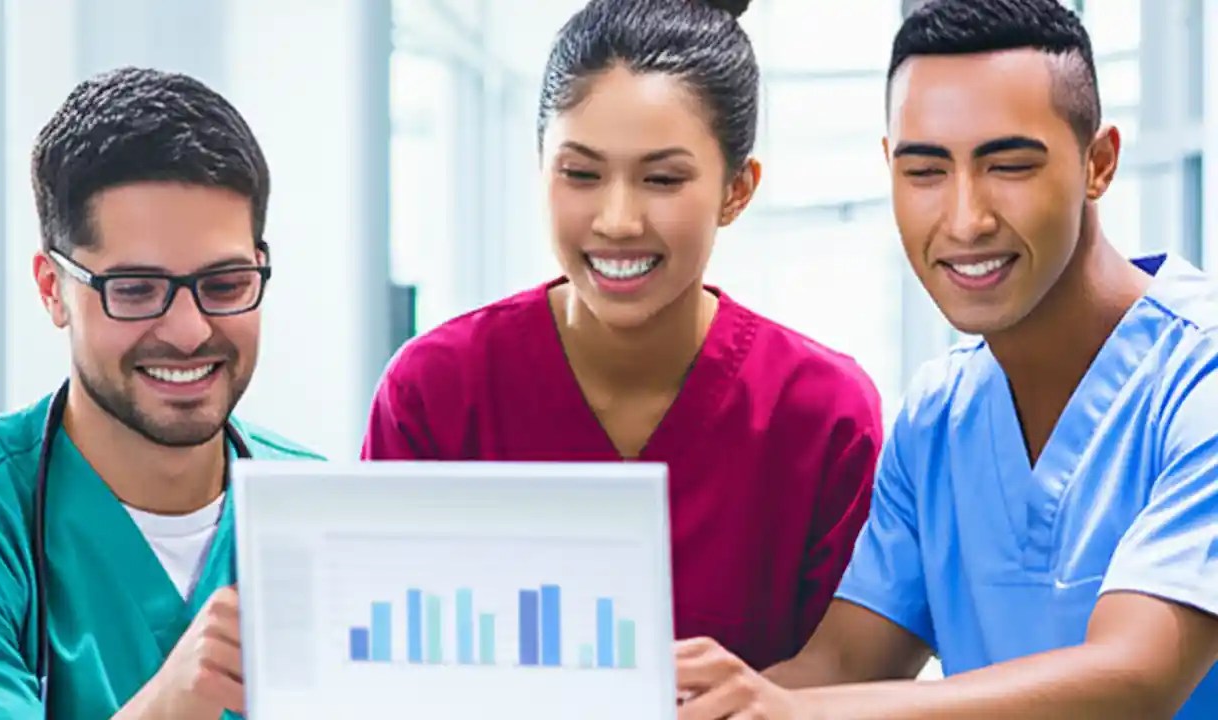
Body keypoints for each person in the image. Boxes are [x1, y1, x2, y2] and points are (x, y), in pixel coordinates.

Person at [675, 1, 1218, 718]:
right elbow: (841, 666)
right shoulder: (939, 416)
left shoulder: (1199, 380)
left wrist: (793, 712)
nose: (965, 220)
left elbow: (1136, 675)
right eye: (926, 171)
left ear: (1099, 163)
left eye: (1010, 166)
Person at [362, 0, 883, 672]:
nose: (616, 220)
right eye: (580, 174)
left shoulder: (822, 414)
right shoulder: (435, 391)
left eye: (662, 179)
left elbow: (847, 680)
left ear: (737, 190)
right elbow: (385, 663)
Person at [0, 67, 321, 719]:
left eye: (225, 285)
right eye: (136, 290)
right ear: (52, 289)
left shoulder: (317, 507)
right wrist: (172, 704)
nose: (188, 331)